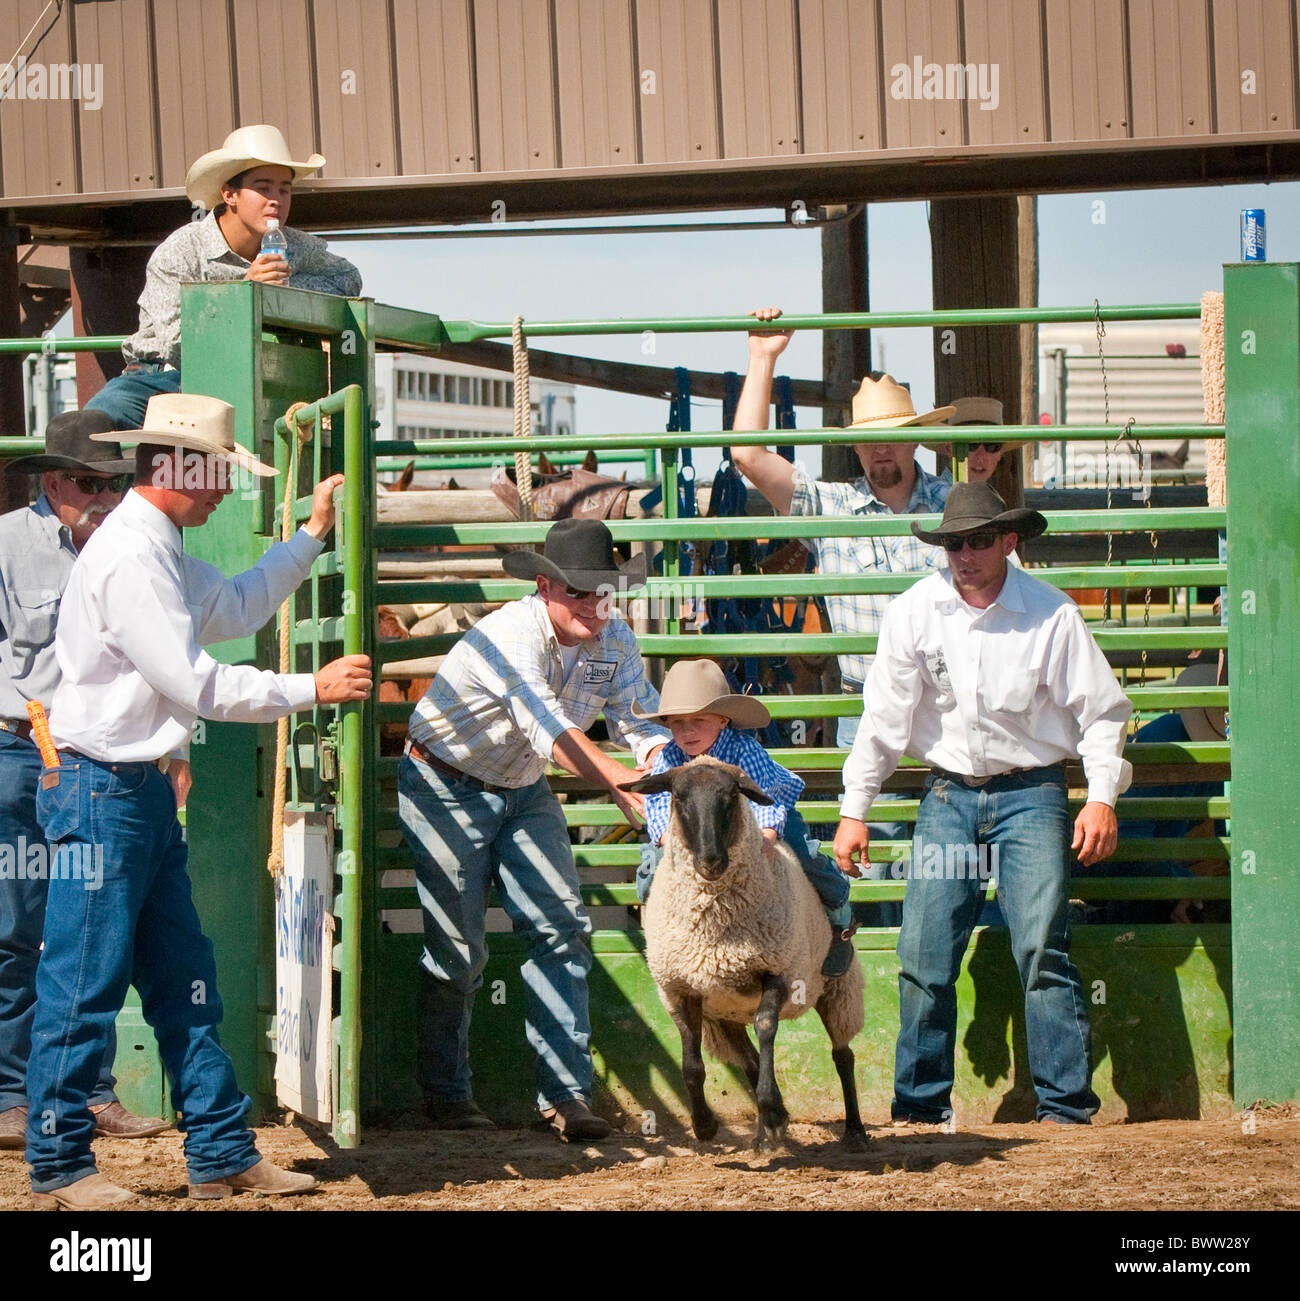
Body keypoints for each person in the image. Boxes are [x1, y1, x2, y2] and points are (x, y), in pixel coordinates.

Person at [23, 393, 373, 1209]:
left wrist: (310, 535)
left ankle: (213, 1147)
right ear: (179, 466)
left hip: (114, 786)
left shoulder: (148, 548)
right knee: (92, 980)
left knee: (171, 976)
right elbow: (196, 680)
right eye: (217, 470)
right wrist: (308, 685)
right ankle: (64, 1162)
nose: (223, 488)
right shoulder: (134, 557)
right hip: (105, 786)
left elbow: (237, 605)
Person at [833, 481, 1133, 1126]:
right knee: (925, 953)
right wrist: (854, 809)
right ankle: (918, 1109)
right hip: (949, 795)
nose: (963, 554)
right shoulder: (915, 611)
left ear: (1007, 540)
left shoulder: (1051, 614)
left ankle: (1065, 1109)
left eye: (977, 541)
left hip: (1032, 792)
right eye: (953, 543)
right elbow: (882, 719)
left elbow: (1103, 714)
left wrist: (1101, 796)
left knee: (1041, 948)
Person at [399, 518, 668, 1141]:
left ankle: (568, 1096)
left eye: (606, 591)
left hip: (519, 786)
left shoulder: (616, 639)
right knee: (459, 949)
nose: (597, 607)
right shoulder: (510, 633)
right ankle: (446, 1095)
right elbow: (546, 724)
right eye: (580, 591)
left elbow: (640, 717)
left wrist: (654, 767)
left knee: (562, 925)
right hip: (446, 782)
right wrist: (616, 781)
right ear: (544, 586)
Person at [731, 307, 953, 921]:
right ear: (853, 443)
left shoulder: (953, 507)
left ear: (914, 436)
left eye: (893, 433)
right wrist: (763, 359)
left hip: (946, 705)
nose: (880, 446)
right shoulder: (829, 504)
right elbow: (748, 454)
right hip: (865, 705)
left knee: (947, 857)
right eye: (868, 435)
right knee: (871, 862)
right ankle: (880, 984)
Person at [0, 411, 172, 1151]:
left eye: (112, 480)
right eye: (88, 481)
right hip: (19, 756)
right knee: (17, 930)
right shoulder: (7, 543)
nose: (102, 495)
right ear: (53, 482)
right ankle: (14, 1094)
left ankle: (88, 1091)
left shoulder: (130, 548)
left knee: (94, 929)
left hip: (91, 762)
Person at [87, 125, 362, 430]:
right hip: (168, 378)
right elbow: (178, 345)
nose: (276, 199)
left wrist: (281, 291)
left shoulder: (297, 246)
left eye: (284, 188)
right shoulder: (180, 252)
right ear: (229, 194)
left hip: (262, 376)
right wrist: (242, 293)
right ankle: (98, 477)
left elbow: (347, 279)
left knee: (340, 422)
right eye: (263, 187)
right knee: (99, 418)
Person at [631, 658, 856, 976]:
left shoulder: (743, 750)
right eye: (678, 722)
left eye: (698, 720)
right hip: (695, 830)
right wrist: (668, 841)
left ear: (723, 720)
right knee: (652, 871)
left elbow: (766, 795)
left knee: (806, 857)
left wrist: (767, 835)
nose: (687, 730)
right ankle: (664, 930)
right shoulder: (669, 756)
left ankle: (839, 922)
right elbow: (655, 805)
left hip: (764, 817)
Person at [941, 396, 1030, 483]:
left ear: (1000, 453)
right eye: (971, 445)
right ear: (949, 449)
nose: (981, 457)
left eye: (992, 446)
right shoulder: (929, 493)